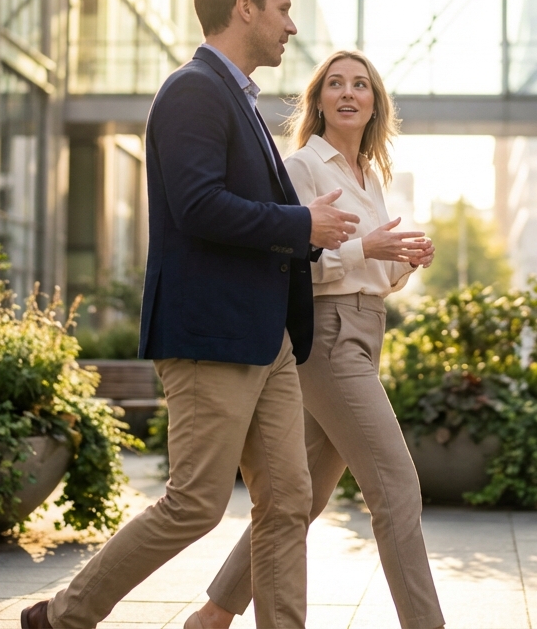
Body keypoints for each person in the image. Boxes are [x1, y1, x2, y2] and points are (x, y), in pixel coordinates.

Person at [21, 0, 360, 629]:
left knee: (289, 502)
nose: (291, 25)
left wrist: (312, 233)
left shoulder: (236, 98)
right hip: (212, 338)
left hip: (266, 342)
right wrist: (301, 221)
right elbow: (199, 205)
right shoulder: (192, 92)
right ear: (245, 8)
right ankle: (64, 617)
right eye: (283, 8)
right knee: (196, 502)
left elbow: (243, 216)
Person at [185, 51, 446, 629]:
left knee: (296, 500)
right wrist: (364, 249)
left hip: (364, 330)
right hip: (327, 336)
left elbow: (368, 268)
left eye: (360, 84)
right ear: (319, 100)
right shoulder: (302, 167)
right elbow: (291, 259)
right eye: (335, 84)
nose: (348, 93)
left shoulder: (370, 176)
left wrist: (403, 260)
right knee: (397, 488)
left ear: (376, 102)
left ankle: (212, 615)